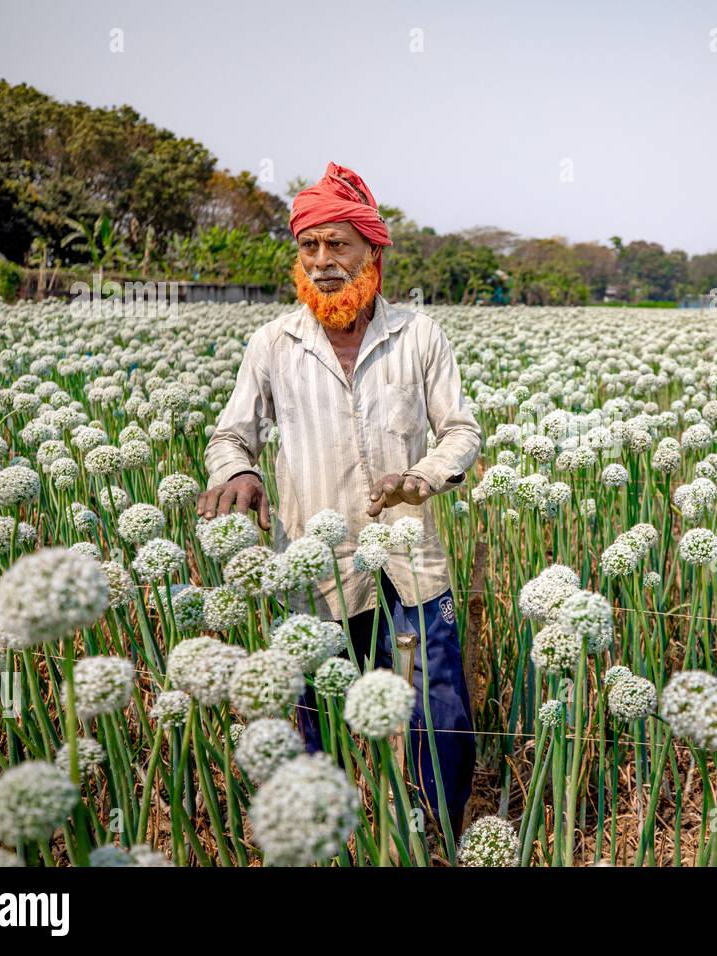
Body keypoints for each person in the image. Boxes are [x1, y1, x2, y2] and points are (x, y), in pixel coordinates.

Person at [197, 162, 481, 838]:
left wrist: (424, 477)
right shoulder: (273, 342)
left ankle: (437, 829)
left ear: (372, 252)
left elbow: (461, 430)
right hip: (316, 563)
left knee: (435, 696)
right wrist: (242, 473)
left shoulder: (418, 336)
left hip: (412, 562)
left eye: (338, 245)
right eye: (309, 247)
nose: (322, 262)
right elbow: (231, 434)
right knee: (317, 704)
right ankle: (326, 833)